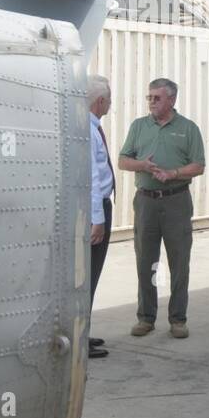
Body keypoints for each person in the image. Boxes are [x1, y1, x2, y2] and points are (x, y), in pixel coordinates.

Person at [118, 78, 206, 339]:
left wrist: (173, 173)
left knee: (179, 262)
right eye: (149, 97)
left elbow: (199, 165)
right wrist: (142, 166)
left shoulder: (188, 128)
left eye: (157, 98)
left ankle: (178, 319)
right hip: (146, 202)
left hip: (176, 201)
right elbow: (123, 161)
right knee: (146, 260)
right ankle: (146, 317)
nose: (152, 102)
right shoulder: (138, 127)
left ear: (172, 100)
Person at [87, 75, 115, 359]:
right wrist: (98, 219)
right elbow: (91, 179)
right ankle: (79, 337)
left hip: (101, 207)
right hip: (96, 211)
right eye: (109, 99)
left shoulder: (93, 128)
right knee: (88, 276)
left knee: (91, 277)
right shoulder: (89, 130)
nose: (111, 104)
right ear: (100, 101)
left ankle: (83, 331)